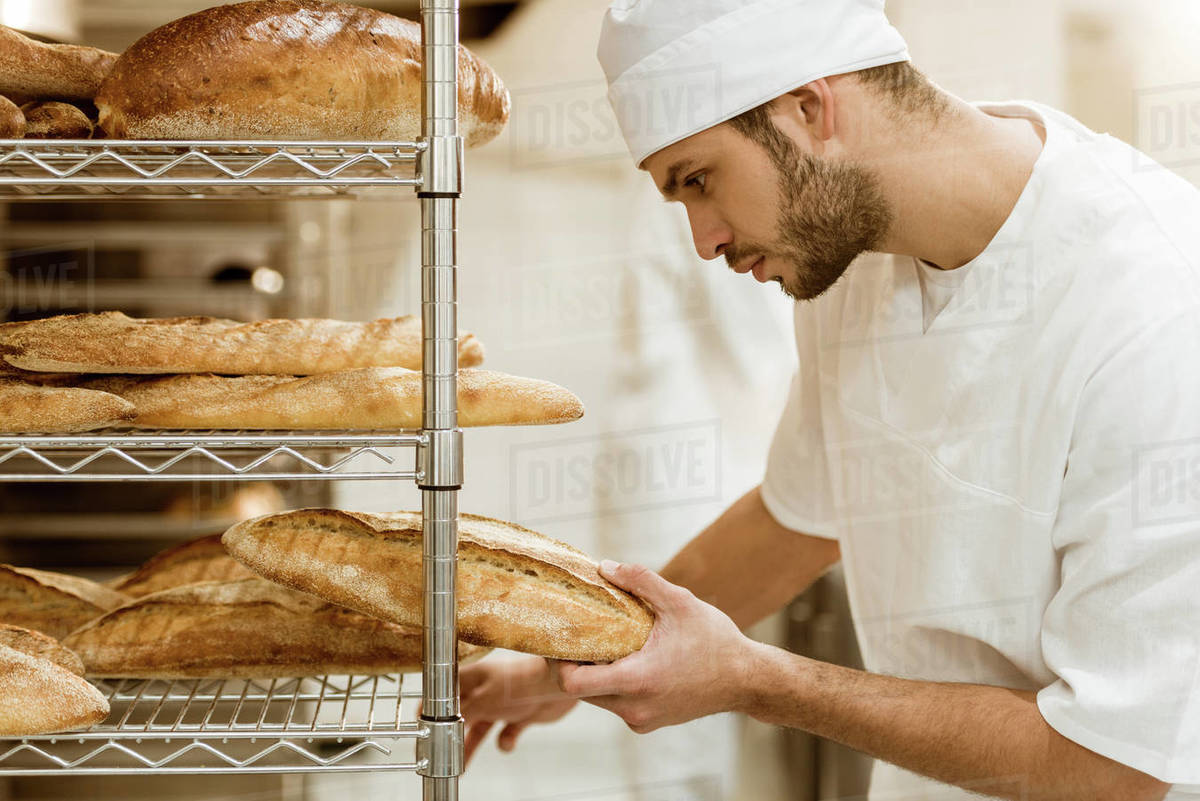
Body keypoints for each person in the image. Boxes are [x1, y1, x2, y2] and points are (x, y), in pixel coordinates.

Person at [460, 1, 1200, 799]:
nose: (703, 240)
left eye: (700, 181)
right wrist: (570, 666)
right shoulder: (853, 258)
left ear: (811, 109)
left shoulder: (1155, 314)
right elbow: (794, 517)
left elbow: (1112, 768)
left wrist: (753, 679)